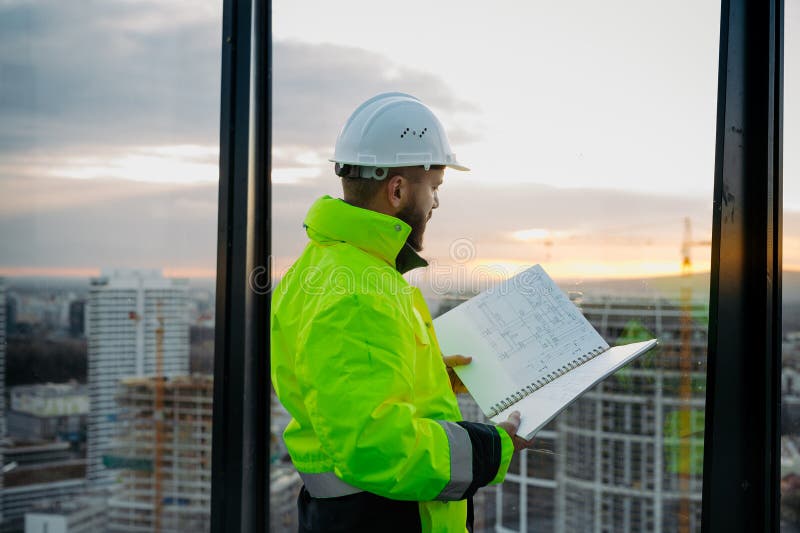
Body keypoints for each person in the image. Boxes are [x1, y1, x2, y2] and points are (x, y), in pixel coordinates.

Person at [271, 93, 532, 533]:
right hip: (384, 520)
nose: (434, 204)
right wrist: (494, 446)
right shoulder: (358, 291)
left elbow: (348, 388)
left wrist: (426, 372)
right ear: (397, 190)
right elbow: (376, 445)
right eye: (434, 188)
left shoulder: (329, 267)